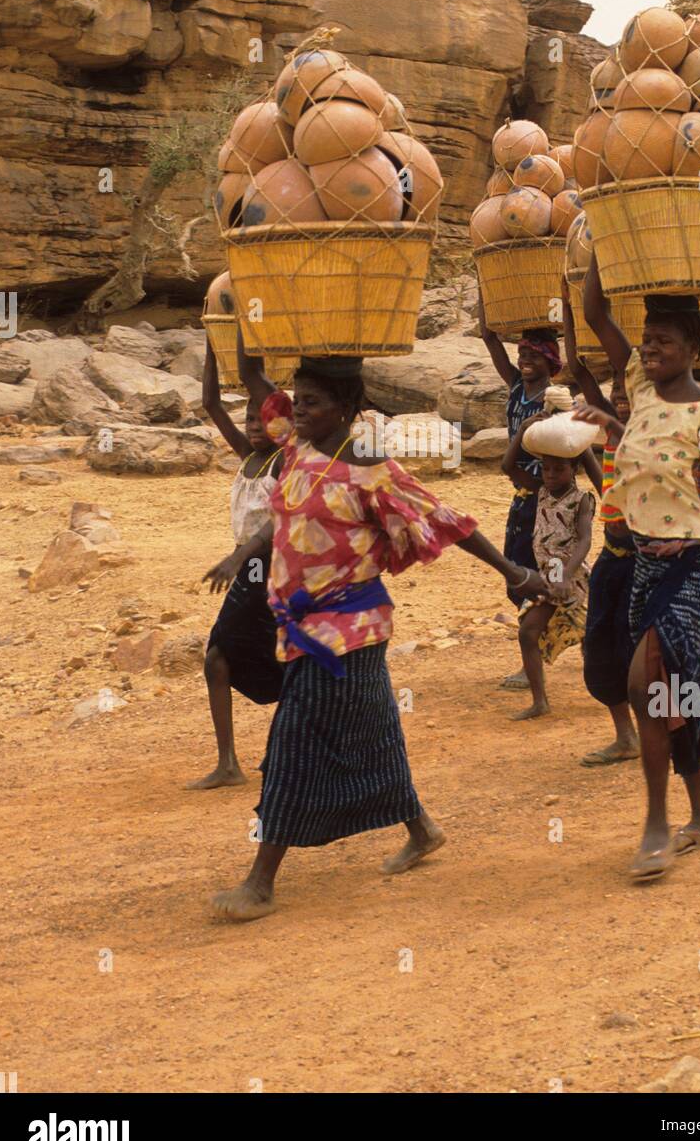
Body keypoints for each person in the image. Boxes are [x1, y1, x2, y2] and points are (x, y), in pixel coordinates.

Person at [211, 354, 549, 922]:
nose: (299, 409)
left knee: (292, 743)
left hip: (348, 632)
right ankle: (422, 829)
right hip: (301, 629)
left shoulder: (370, 468)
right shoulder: (297, 450)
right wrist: (237, 322)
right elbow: (255, 390)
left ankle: (261, 881)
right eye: (298, 400)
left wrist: (515, 573)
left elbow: (445, 519)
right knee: (372, 734)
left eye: (313, 401)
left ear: (346, 408)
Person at [576, 254, 700, 881]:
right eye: (647, 340)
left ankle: (657, 825)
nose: (649, 348)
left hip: (699, 563)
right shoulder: (638, 392)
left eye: (664, 340)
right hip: (644, 565)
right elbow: (593, 313)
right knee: (675, 690)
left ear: (693, 347)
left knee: (646, 681)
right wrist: (601, 248)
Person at [192, 341, 285, 789]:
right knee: (225, 658)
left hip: (266, 571)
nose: (252, 426)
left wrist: (238, 560)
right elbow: (210, 402)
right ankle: (232, 760)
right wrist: (213, 342)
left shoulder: (283, 462)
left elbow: (276, 528)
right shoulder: (249, 457)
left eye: (262, 420)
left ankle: (233, 763)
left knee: (217, 656)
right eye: (249, 419)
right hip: (245, 571)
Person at [560, 283, 640, 766]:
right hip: (613, 555)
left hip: (646, 558)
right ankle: (626, 735)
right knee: (600, 647)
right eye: (616, 393)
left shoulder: (648, 432)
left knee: (641, 653)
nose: (620, 398)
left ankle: (662, 735)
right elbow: (577, 366)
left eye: (630, 392)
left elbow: (635, 440)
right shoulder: (610, 430)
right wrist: (567, 302)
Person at [477, 291, 571, 690]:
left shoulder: (558, 399)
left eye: (533, 357)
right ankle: (538, 648)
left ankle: (535, 655)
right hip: (522, 497)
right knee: (517, 573)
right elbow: (488, 336)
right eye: (522, 356)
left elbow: (569, 450)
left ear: (550, 361)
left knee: (533, 572)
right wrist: (485, 287)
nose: (524, 362)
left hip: (545, 497)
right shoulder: (516, 385)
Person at [501, 425, 595, 721]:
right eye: (547, 469)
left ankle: (613, 695)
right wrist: (525, 431)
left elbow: (584, 540)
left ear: (574, 469)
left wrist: (567, 574)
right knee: (528, 633)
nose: (551, 474)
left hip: (573, 581)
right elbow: (507, 466)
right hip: (546, 579)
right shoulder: (539, 490)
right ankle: (540, 701)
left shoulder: (582, 500)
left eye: (559, 469)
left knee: (590, 643)